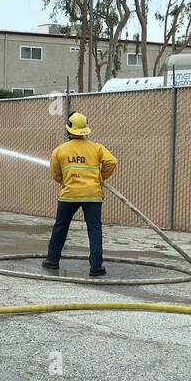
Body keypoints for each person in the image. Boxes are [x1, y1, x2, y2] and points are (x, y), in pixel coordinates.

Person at [42, 112, 118, 277]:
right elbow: (112, 161)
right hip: (92, 194)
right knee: (94, 229)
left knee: (61, 227)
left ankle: (52, 261)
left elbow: (55, 174)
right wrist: (100, 177)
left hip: (69, 194)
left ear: (69, 129)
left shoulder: (60, 150)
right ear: (86, 130)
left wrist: (65, 180)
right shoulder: (96, 148)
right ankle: (96, 267)